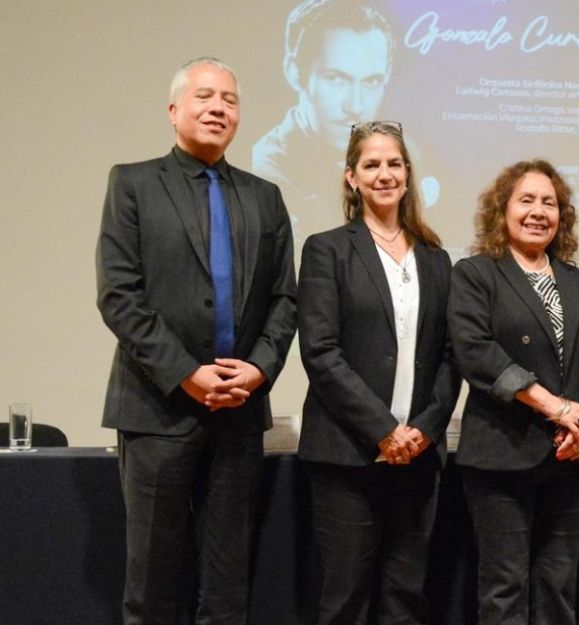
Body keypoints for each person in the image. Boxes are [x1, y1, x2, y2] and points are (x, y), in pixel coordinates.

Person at [95, 57, 297, 624]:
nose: (218, 108)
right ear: (174, 110)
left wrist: (258, 369)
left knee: (228, 590)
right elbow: (119, 296)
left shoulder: (265, 196)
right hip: (156, 409)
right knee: (153, 586)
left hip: (238, 412)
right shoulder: (132, 183)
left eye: (230, 100)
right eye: (205, 96)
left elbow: (286, 300)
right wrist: (187, 371)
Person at [296, 120, 460, 624]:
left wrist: (423, 431)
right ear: (352, 177)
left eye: (393, 164)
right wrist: (384, 430)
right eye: (372, 165)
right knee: (346, 595)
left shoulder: (436, 257)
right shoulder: (327, 249)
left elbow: (452, 356)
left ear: (408, 174)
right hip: (349, 453)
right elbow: (320, 352)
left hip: (418, 456)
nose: (384, 174)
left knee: (406, 596)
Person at [448, 159, 579, 625]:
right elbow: (477, 353)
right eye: (527, 200)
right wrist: (558, 409)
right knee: (505, 588)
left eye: (550, 202)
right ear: (502, 209)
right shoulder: (476, 273)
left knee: (558, 585)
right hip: (502, 453)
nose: (539, 211)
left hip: (571, 456)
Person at [253, 0, 439, 243]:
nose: (355, 106)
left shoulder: (409, 152)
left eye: (371, 82)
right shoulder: (267, 170)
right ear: (294, 71)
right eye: (336, 79)